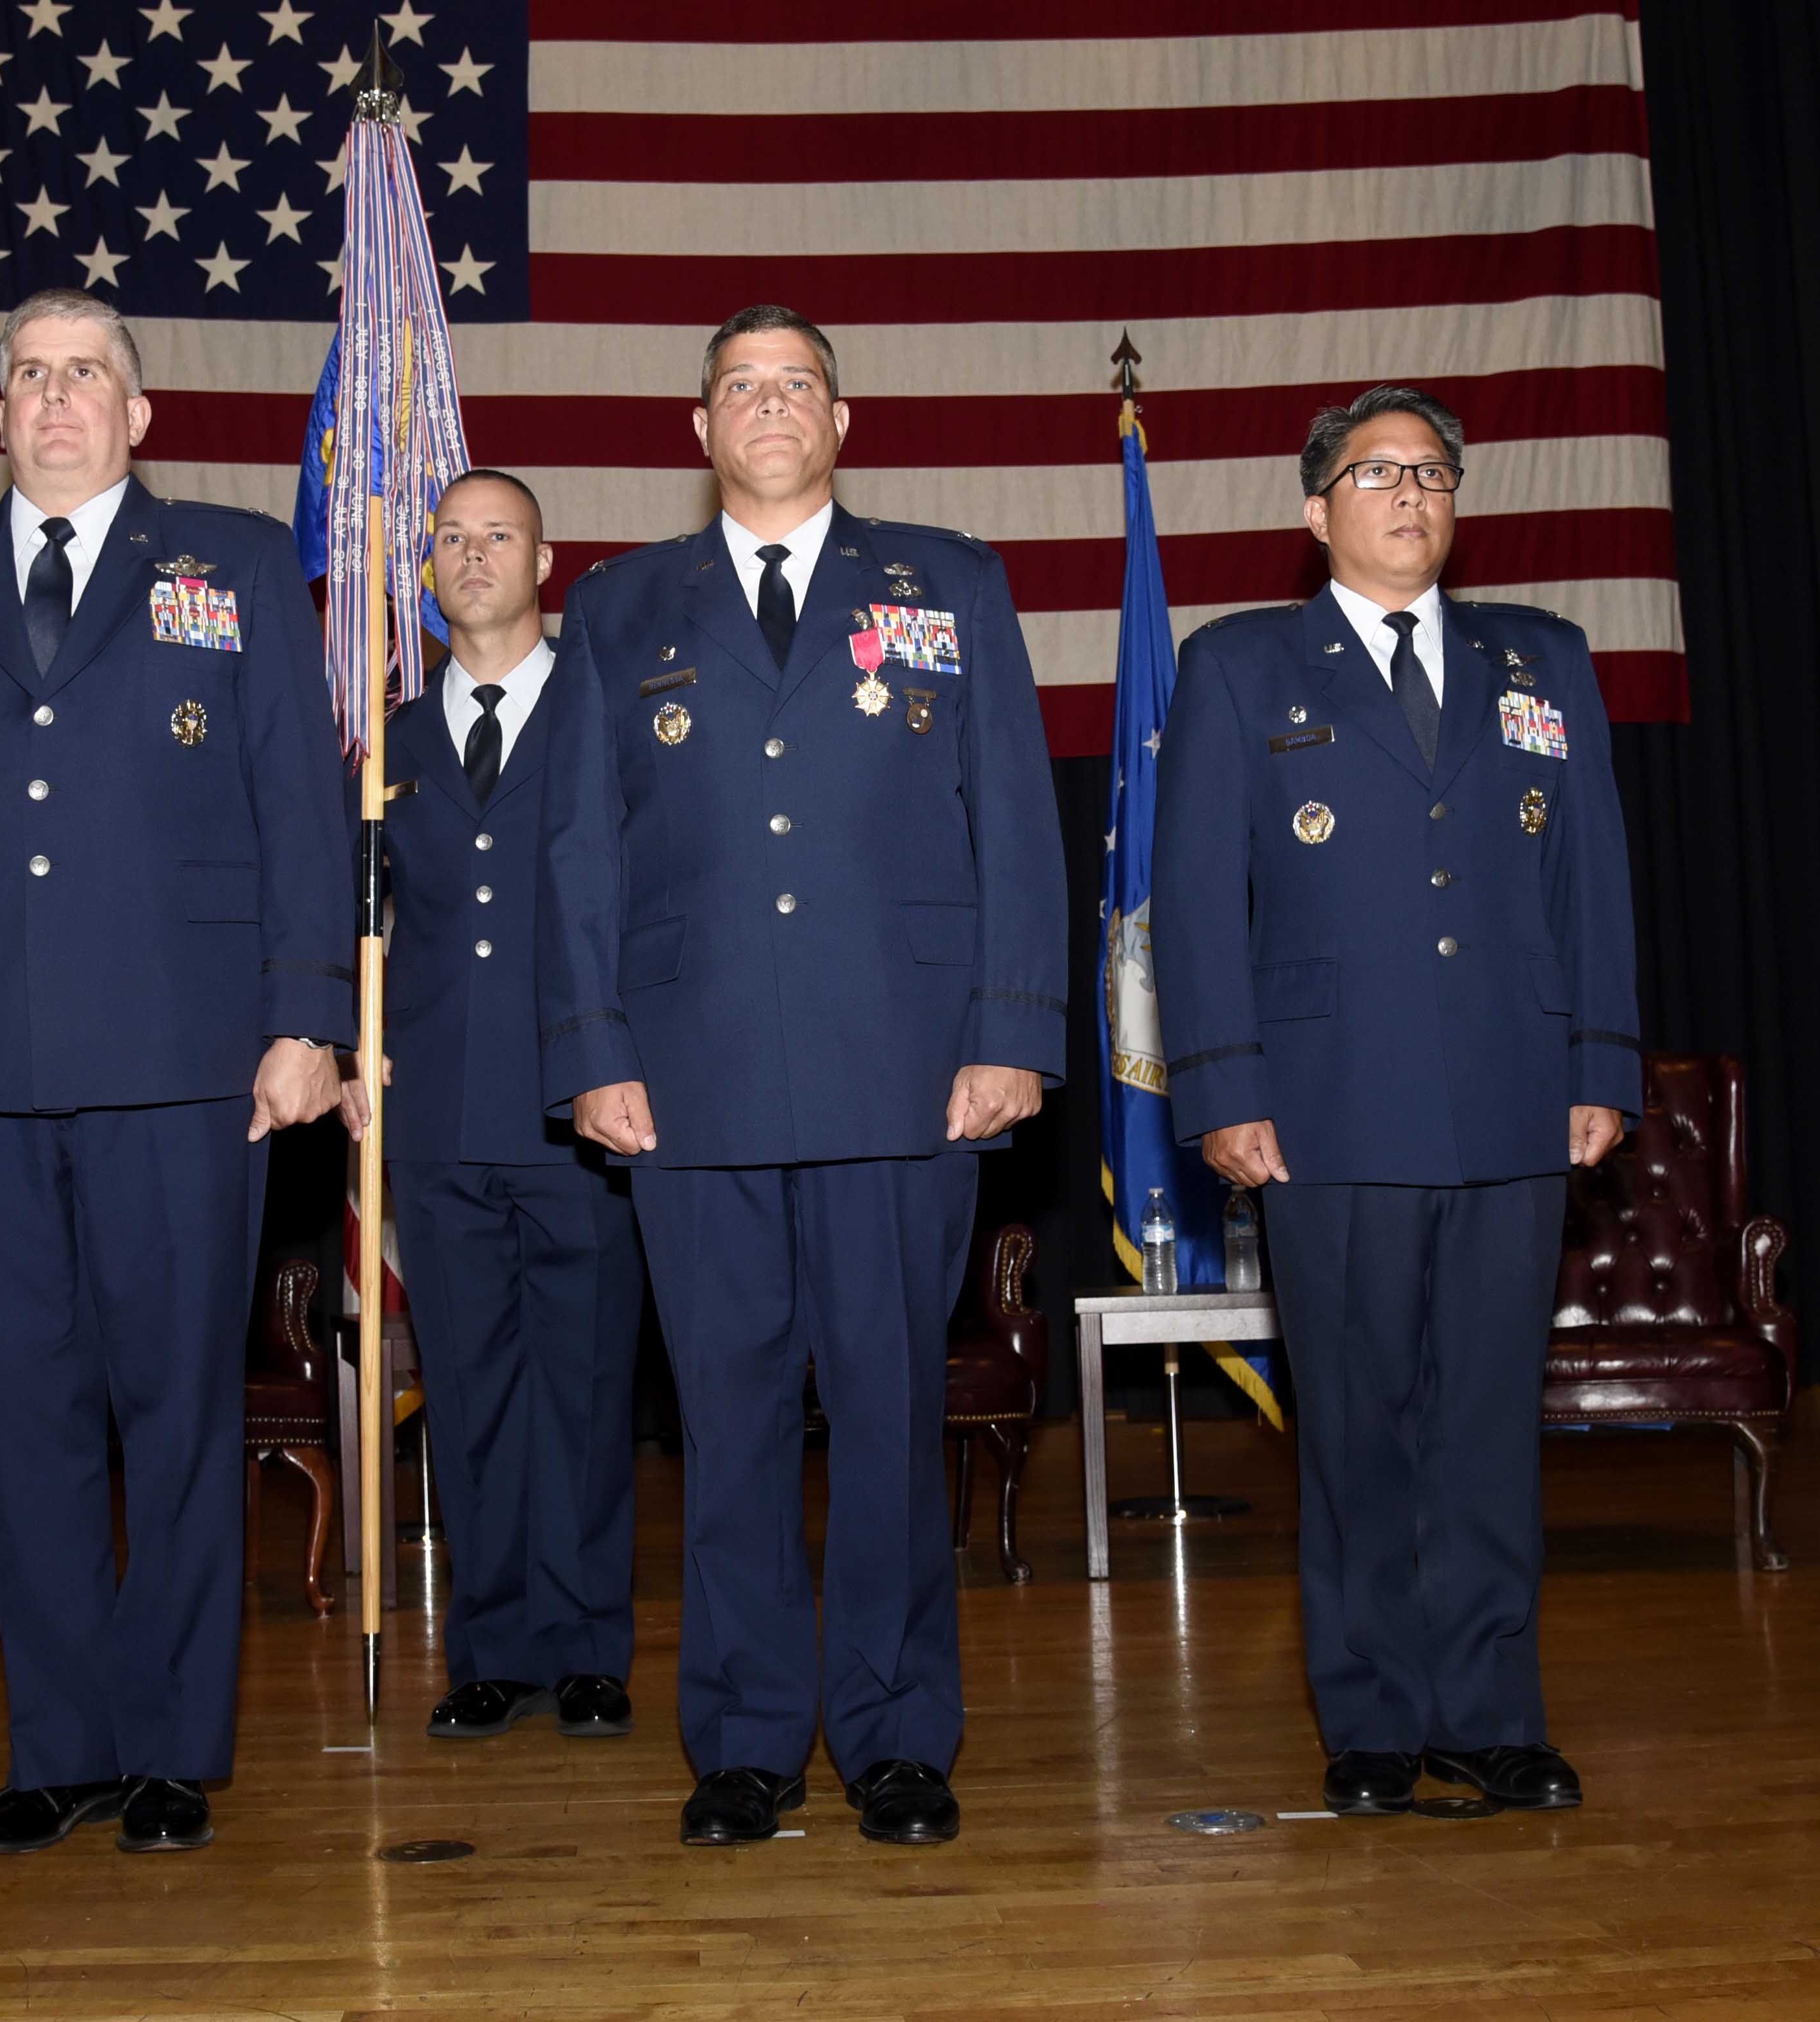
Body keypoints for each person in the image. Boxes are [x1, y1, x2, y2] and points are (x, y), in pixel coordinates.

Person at [0, 288, 354, 1857]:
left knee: (177, 1405)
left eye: (88, 375)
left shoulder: (240, 563)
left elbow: (294, 807)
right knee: (23, 1408)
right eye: (32, 376)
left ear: (140, 410)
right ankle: (58, 1748)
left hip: (187, 1059)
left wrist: (304, 1018)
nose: (58, 399)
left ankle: (173, 1745)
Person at [535, 305, 1068, 1848]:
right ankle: (749, 1741)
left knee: (893, 1409)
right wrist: (591, 1052)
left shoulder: (950, 583)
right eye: (741, 388)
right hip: (688, 1080)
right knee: (731, 1418)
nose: (770, 407)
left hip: (907, 1071)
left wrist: (1012, 1029)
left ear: (846, 420)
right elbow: (581, 853)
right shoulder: (625, 607)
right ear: (698, 430)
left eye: (798, 386)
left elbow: (1014, 826)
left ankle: (899, 1733)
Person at [1150, 385, 1642, 1818]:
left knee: (1490, 1422)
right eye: (1377, 474)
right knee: (1357, 1426)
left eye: (1432, 472)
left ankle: (1492, 1712)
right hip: (1326, 1105)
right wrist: (1223, 1086)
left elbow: (1590, 881)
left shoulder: (1541, 657)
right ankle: (1368, 1716)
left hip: (1509, 1096)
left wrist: (1599, 1060)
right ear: (1318, 514)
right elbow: (1194, 903)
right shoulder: (1242, 666)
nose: (1411, 495)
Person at [342, 470, 645, 1746]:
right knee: (469, 1389)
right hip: (440, 1107)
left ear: (543, 559)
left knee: (581, 1386)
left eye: (497, 535)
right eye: (451, 538)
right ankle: (492, 1643)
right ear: (429, 570)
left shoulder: (612, 705)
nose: (472, 556)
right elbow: (351, 920)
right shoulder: (391, 745)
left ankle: (586, 1644)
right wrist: (349, 1048)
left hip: (575, 1105)